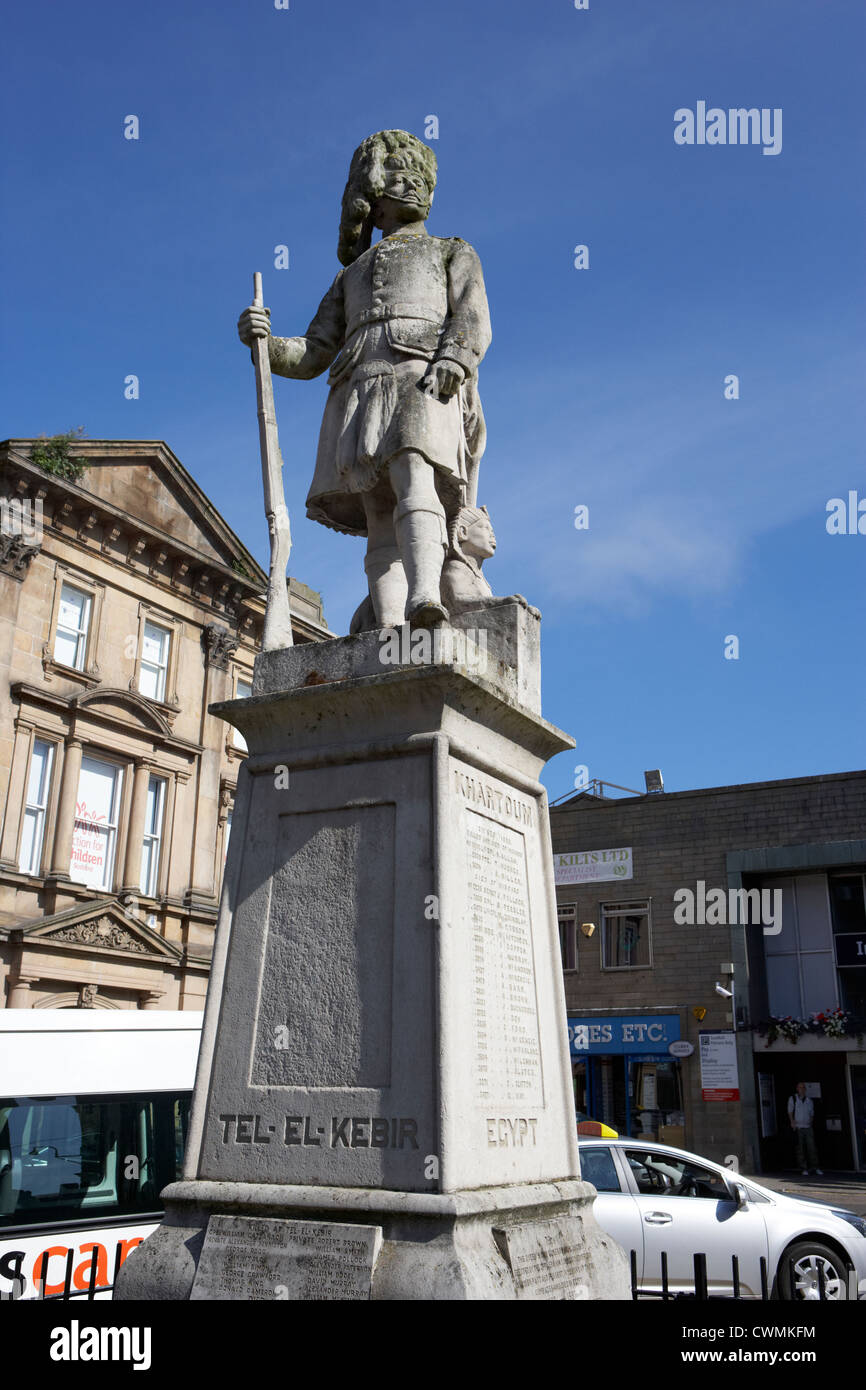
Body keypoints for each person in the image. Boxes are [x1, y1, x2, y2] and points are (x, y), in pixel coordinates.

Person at [237, 129, 491, 630]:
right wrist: (265, 343)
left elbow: (472, 315)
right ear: (371, 202)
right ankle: (392, 622)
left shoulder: (451, 250)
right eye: (398, 179)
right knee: (376, 506)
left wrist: (454, 361)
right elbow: (313, 352)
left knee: (413, 474)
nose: (413, 187)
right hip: (358, 384)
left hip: (421, 374)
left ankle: (425, 597)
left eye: (420, 180)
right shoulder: (348, 276)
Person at [788, 1081, 823, 1176]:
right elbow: (790, 1111)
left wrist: (811, 1122)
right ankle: (803, 1168)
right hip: (798, 1127)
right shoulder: (793, 1099)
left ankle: (815, 1167)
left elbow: (812, 1113)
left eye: (803, 1088)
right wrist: (792, 1122)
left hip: (808, 1126)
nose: (802, 1089)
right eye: (800, 1087)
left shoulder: (809, 1100)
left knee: (812, 1147)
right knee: (801, 1148)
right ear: (797, 1089)